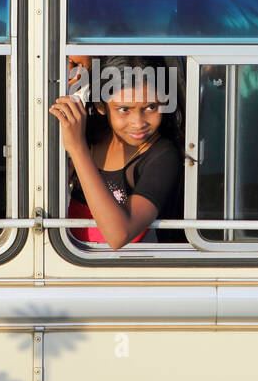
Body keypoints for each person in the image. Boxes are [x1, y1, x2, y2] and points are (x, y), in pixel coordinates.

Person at [49, 55, 182, 249]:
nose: (139, 123)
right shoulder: (91, 132)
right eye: (124, 109)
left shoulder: (163, 156)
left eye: (151, 107)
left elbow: (119, 235)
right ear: (101, 106)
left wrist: (78, 150)